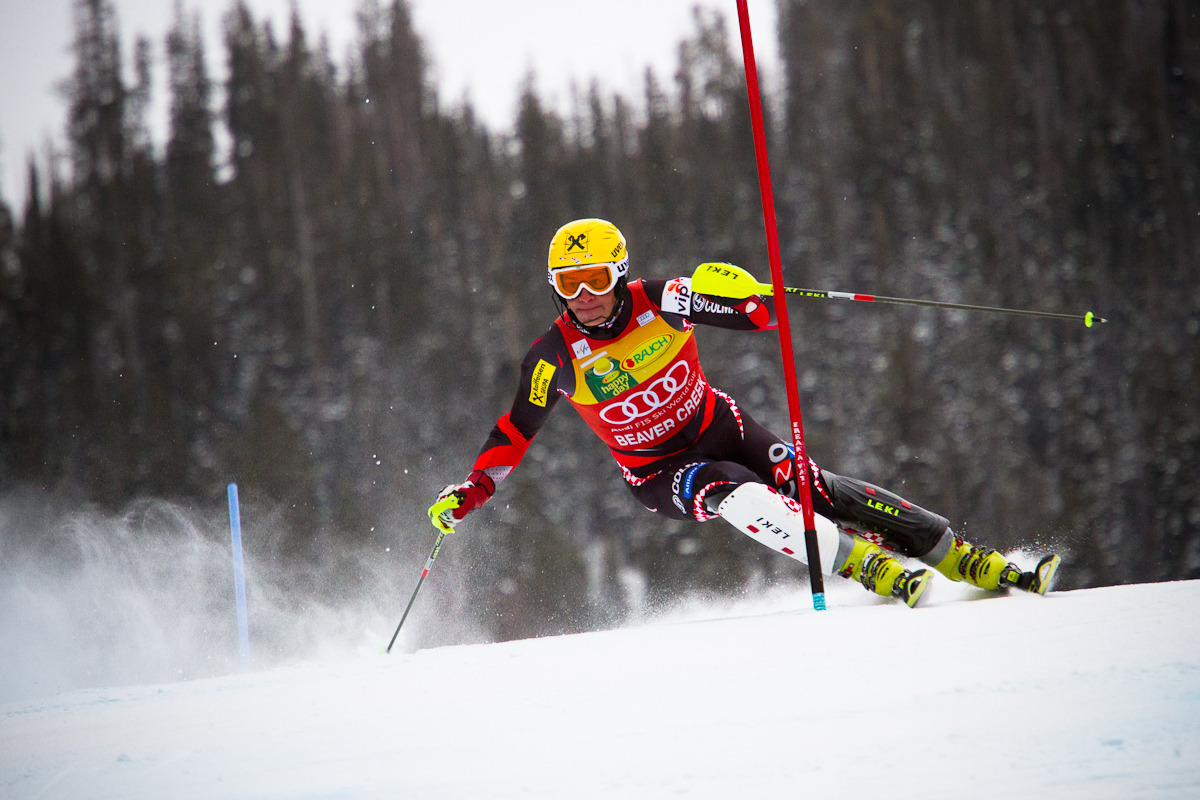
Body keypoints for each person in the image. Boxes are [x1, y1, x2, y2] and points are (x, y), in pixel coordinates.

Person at [427, 218, 1059, 607]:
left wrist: (736, 291)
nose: (585, 298)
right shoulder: (553, 356)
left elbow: (761, 316)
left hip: (719, 424)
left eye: (594, 279)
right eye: (569, 284)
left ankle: (958, 554)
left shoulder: (662, 298)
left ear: (619, 273)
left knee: (813, 486)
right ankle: (864, 564)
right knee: (736, 494)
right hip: (657, 472)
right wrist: (476, 488)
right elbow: (515, 431)